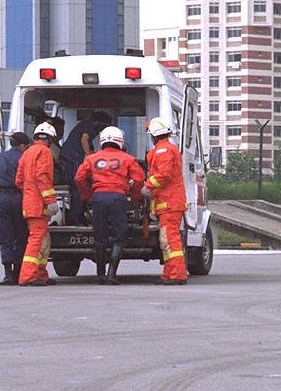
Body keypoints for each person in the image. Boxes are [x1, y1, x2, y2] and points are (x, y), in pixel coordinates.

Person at [75, 126, 144, 285]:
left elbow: (79, 178)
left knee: (100, 236)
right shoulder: (128, 158)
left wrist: (88, 195)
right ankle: (111, 275)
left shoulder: (91, 158)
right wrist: (134, 197)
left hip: (99, 197)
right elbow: (139, 179)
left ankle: (100, 274)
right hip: (119, 198)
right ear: (120, 141)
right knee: (119, 236)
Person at [142, 117, 188, 285]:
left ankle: (177, 275)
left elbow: (164, 174)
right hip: (168, 203)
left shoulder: (163, 150)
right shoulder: (167, 149)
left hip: (169, 203)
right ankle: (169, 273)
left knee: (170, 239)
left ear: (155, 135)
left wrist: (148, 186)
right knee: (166, 240)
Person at [15, 122, 59, 286]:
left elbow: (19, 180)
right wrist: (50, 200)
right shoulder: (45, 152)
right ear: (49, 139)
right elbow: (43, 177)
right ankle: (28, 276)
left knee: (43, 240)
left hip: (29, 203)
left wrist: (29, 192)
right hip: (39, 205)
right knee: (36, 240)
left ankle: (40, 274)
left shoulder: (27, 153)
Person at [0, 131, 31, 285]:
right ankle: (18, 272)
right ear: (23, 145)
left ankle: (7, 274)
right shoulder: (25, 157)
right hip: (20, 197)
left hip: (2, 198)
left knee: (5, 236)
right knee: (21, 234)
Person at [60, 111, 112, 224]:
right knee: (77, 186)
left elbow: (89, 144)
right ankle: (74, 218)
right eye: (105, 125)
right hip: (72, 158)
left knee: (82, 186)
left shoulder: (88, 127)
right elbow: (84, 140)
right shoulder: (88, 125)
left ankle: (80, 215)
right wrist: (89, 157)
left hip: (73, 157)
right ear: (98, 122)